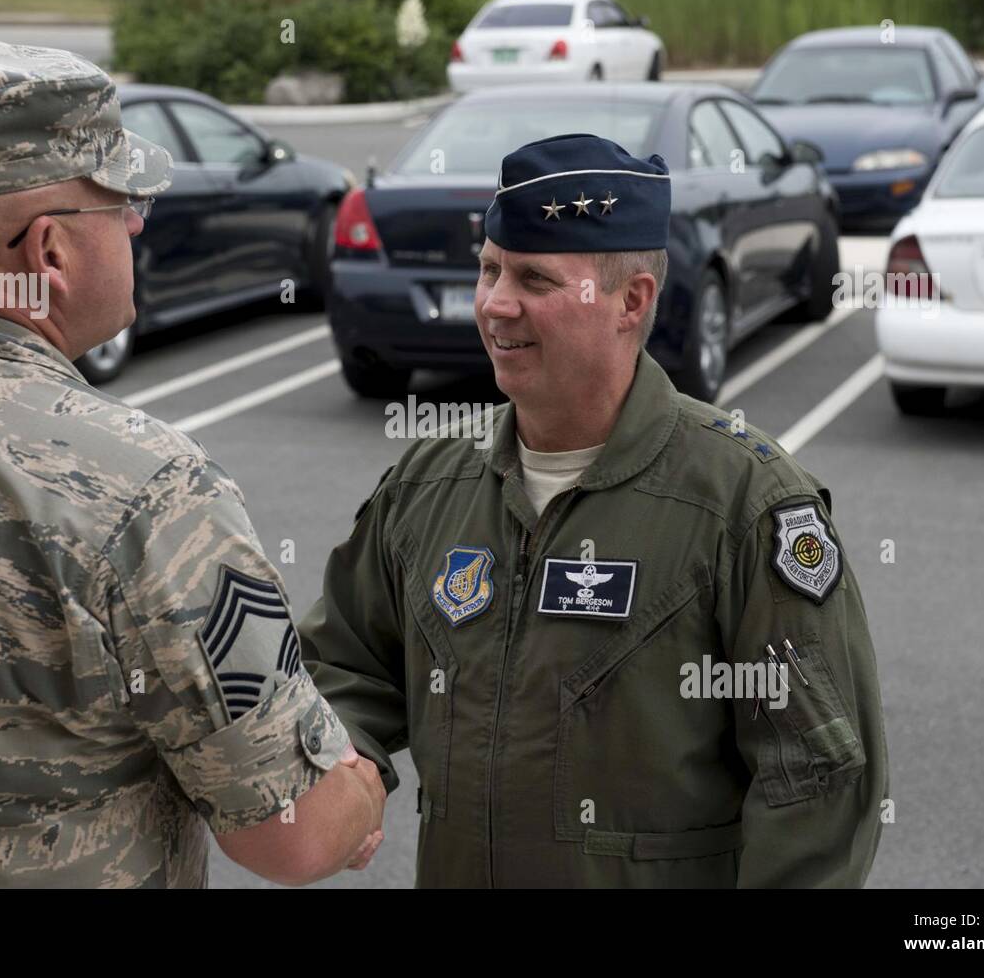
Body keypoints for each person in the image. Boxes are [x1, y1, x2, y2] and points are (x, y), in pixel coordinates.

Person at [0, 37, 383, 888]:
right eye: (122, 201)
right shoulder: (143, 489)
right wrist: (361, 786)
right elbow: (290, 834)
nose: (139, 221)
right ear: (50, 253)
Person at [302, 133, 889, 888]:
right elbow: (347, 661)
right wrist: (346, 769)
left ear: (631, 300)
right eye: (489, 269)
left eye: (536, 279)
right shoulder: (428, 483)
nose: (495, 303)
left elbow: (817, 781)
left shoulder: (748, 506)